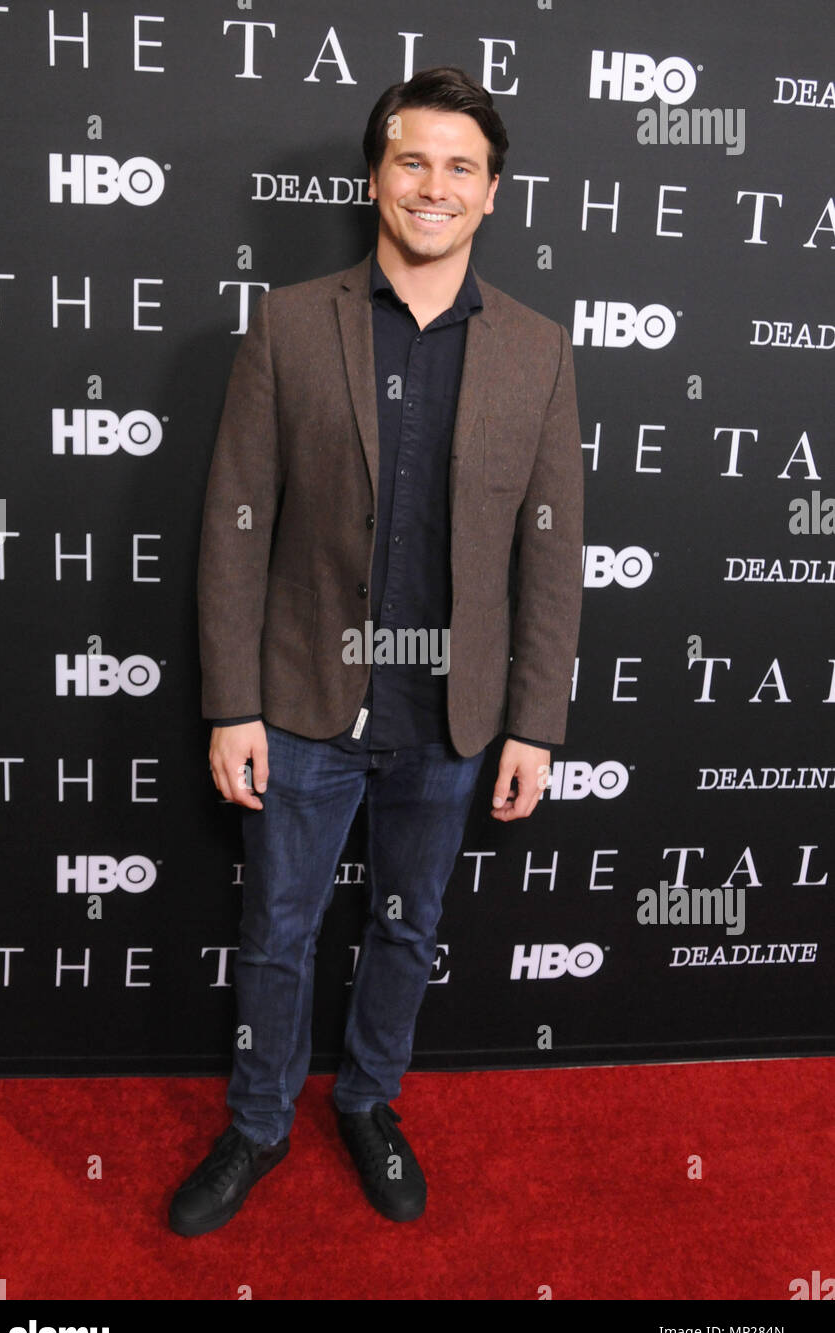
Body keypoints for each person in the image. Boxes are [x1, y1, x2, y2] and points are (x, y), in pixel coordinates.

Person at [169, 66, 584, 1237]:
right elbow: (233, 525)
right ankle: (255, 1126)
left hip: (451, 722)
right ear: (373, 177)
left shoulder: (540, 353)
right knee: (275, 937)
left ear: (493, 194)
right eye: (412, 160)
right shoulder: (290, 324)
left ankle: (367, 1102)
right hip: (301, 705)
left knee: (409, 928)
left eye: (462, 166)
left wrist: (536, 723)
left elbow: (552, 559)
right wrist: (232, 701)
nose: (434, 185)